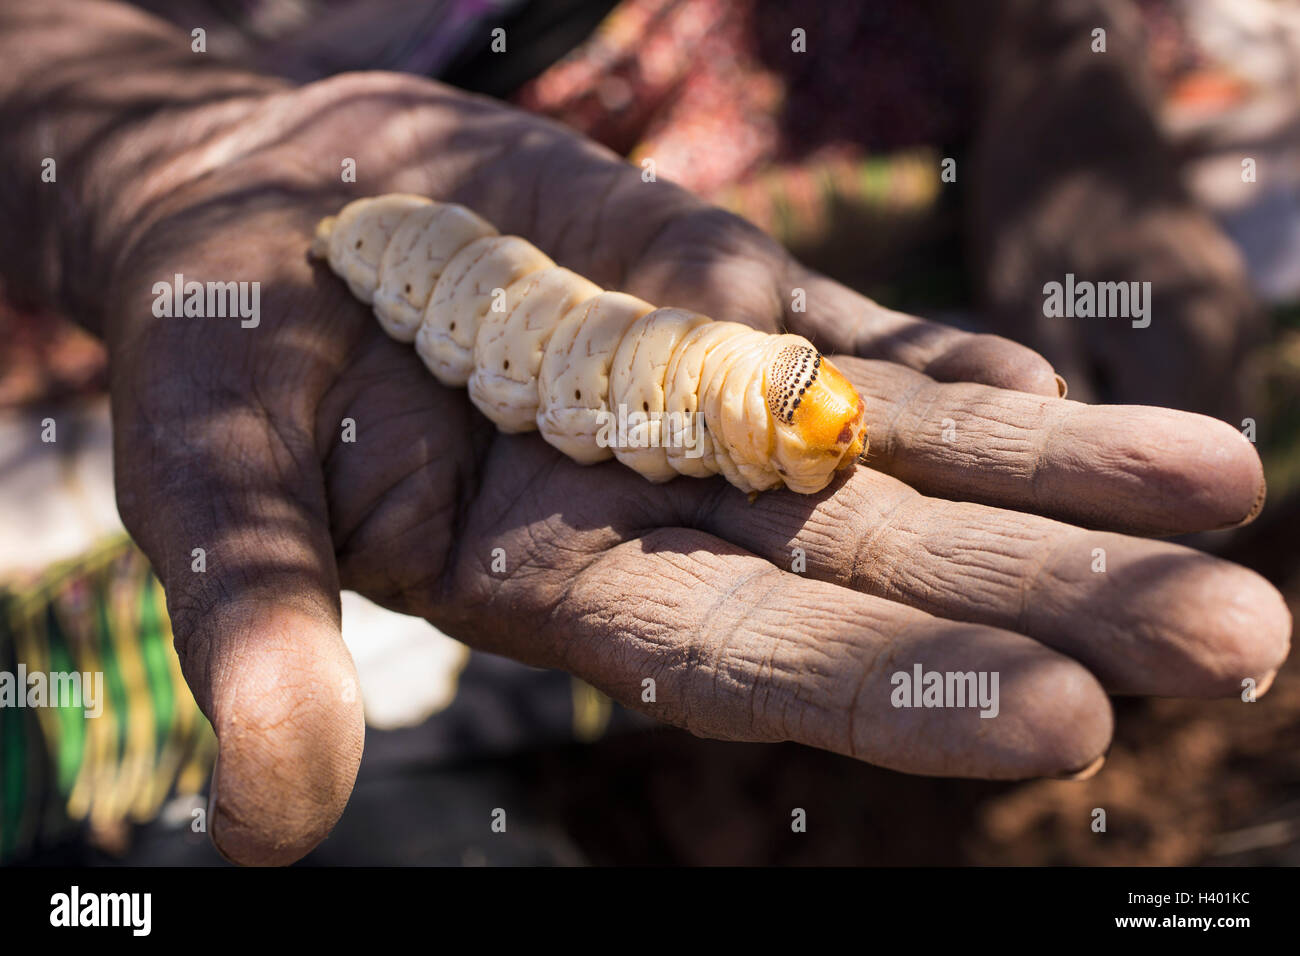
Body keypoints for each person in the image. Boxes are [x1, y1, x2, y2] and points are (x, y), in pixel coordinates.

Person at [0, 0, 1288, 866]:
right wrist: (166, 156)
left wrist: (1065, 79)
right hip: (268, 161)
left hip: (752, 97)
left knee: (1066, 372)